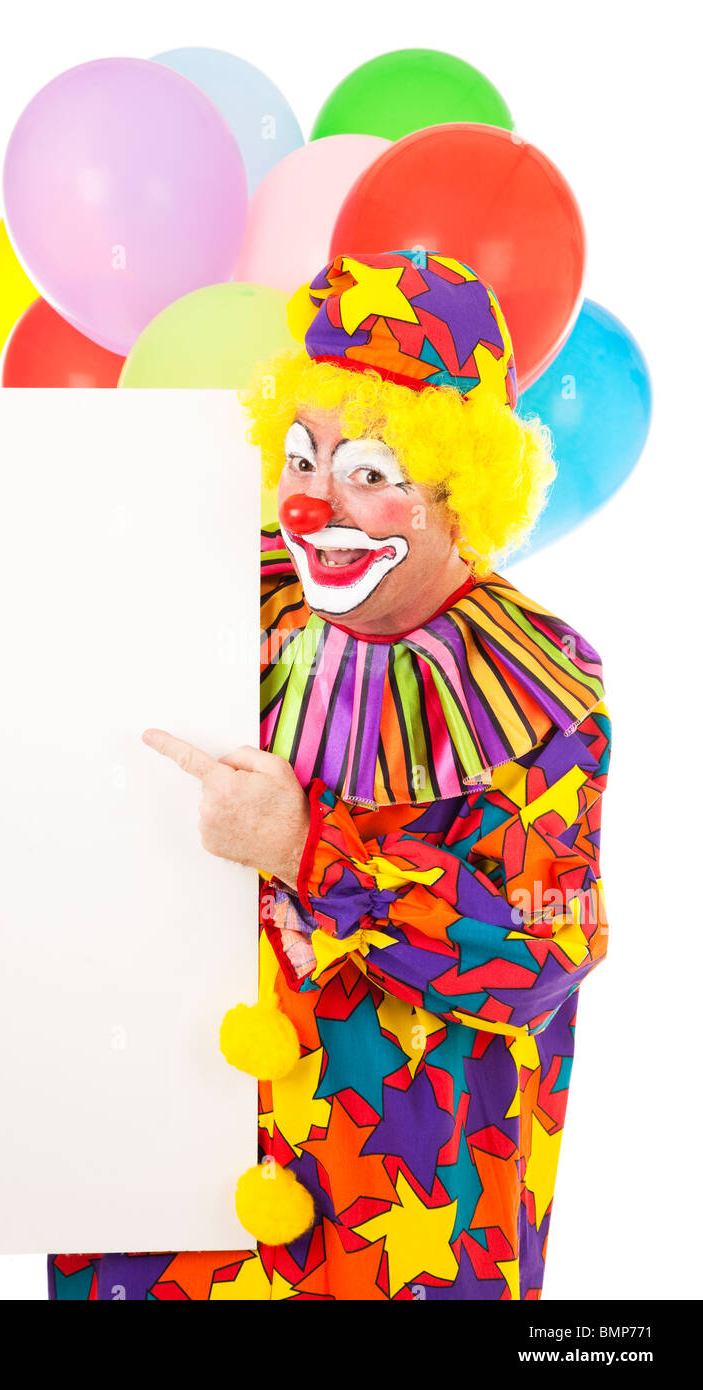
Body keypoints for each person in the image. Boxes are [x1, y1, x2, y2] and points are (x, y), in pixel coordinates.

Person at [48, 250, 610, 1301]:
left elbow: (542, 942)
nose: (309, 504)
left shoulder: (544, 685)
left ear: (458, 486)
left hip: (398, 1216)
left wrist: (309, 850)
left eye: (366, 473)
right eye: (301, 457)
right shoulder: (211, 593)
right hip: (171, 1193)